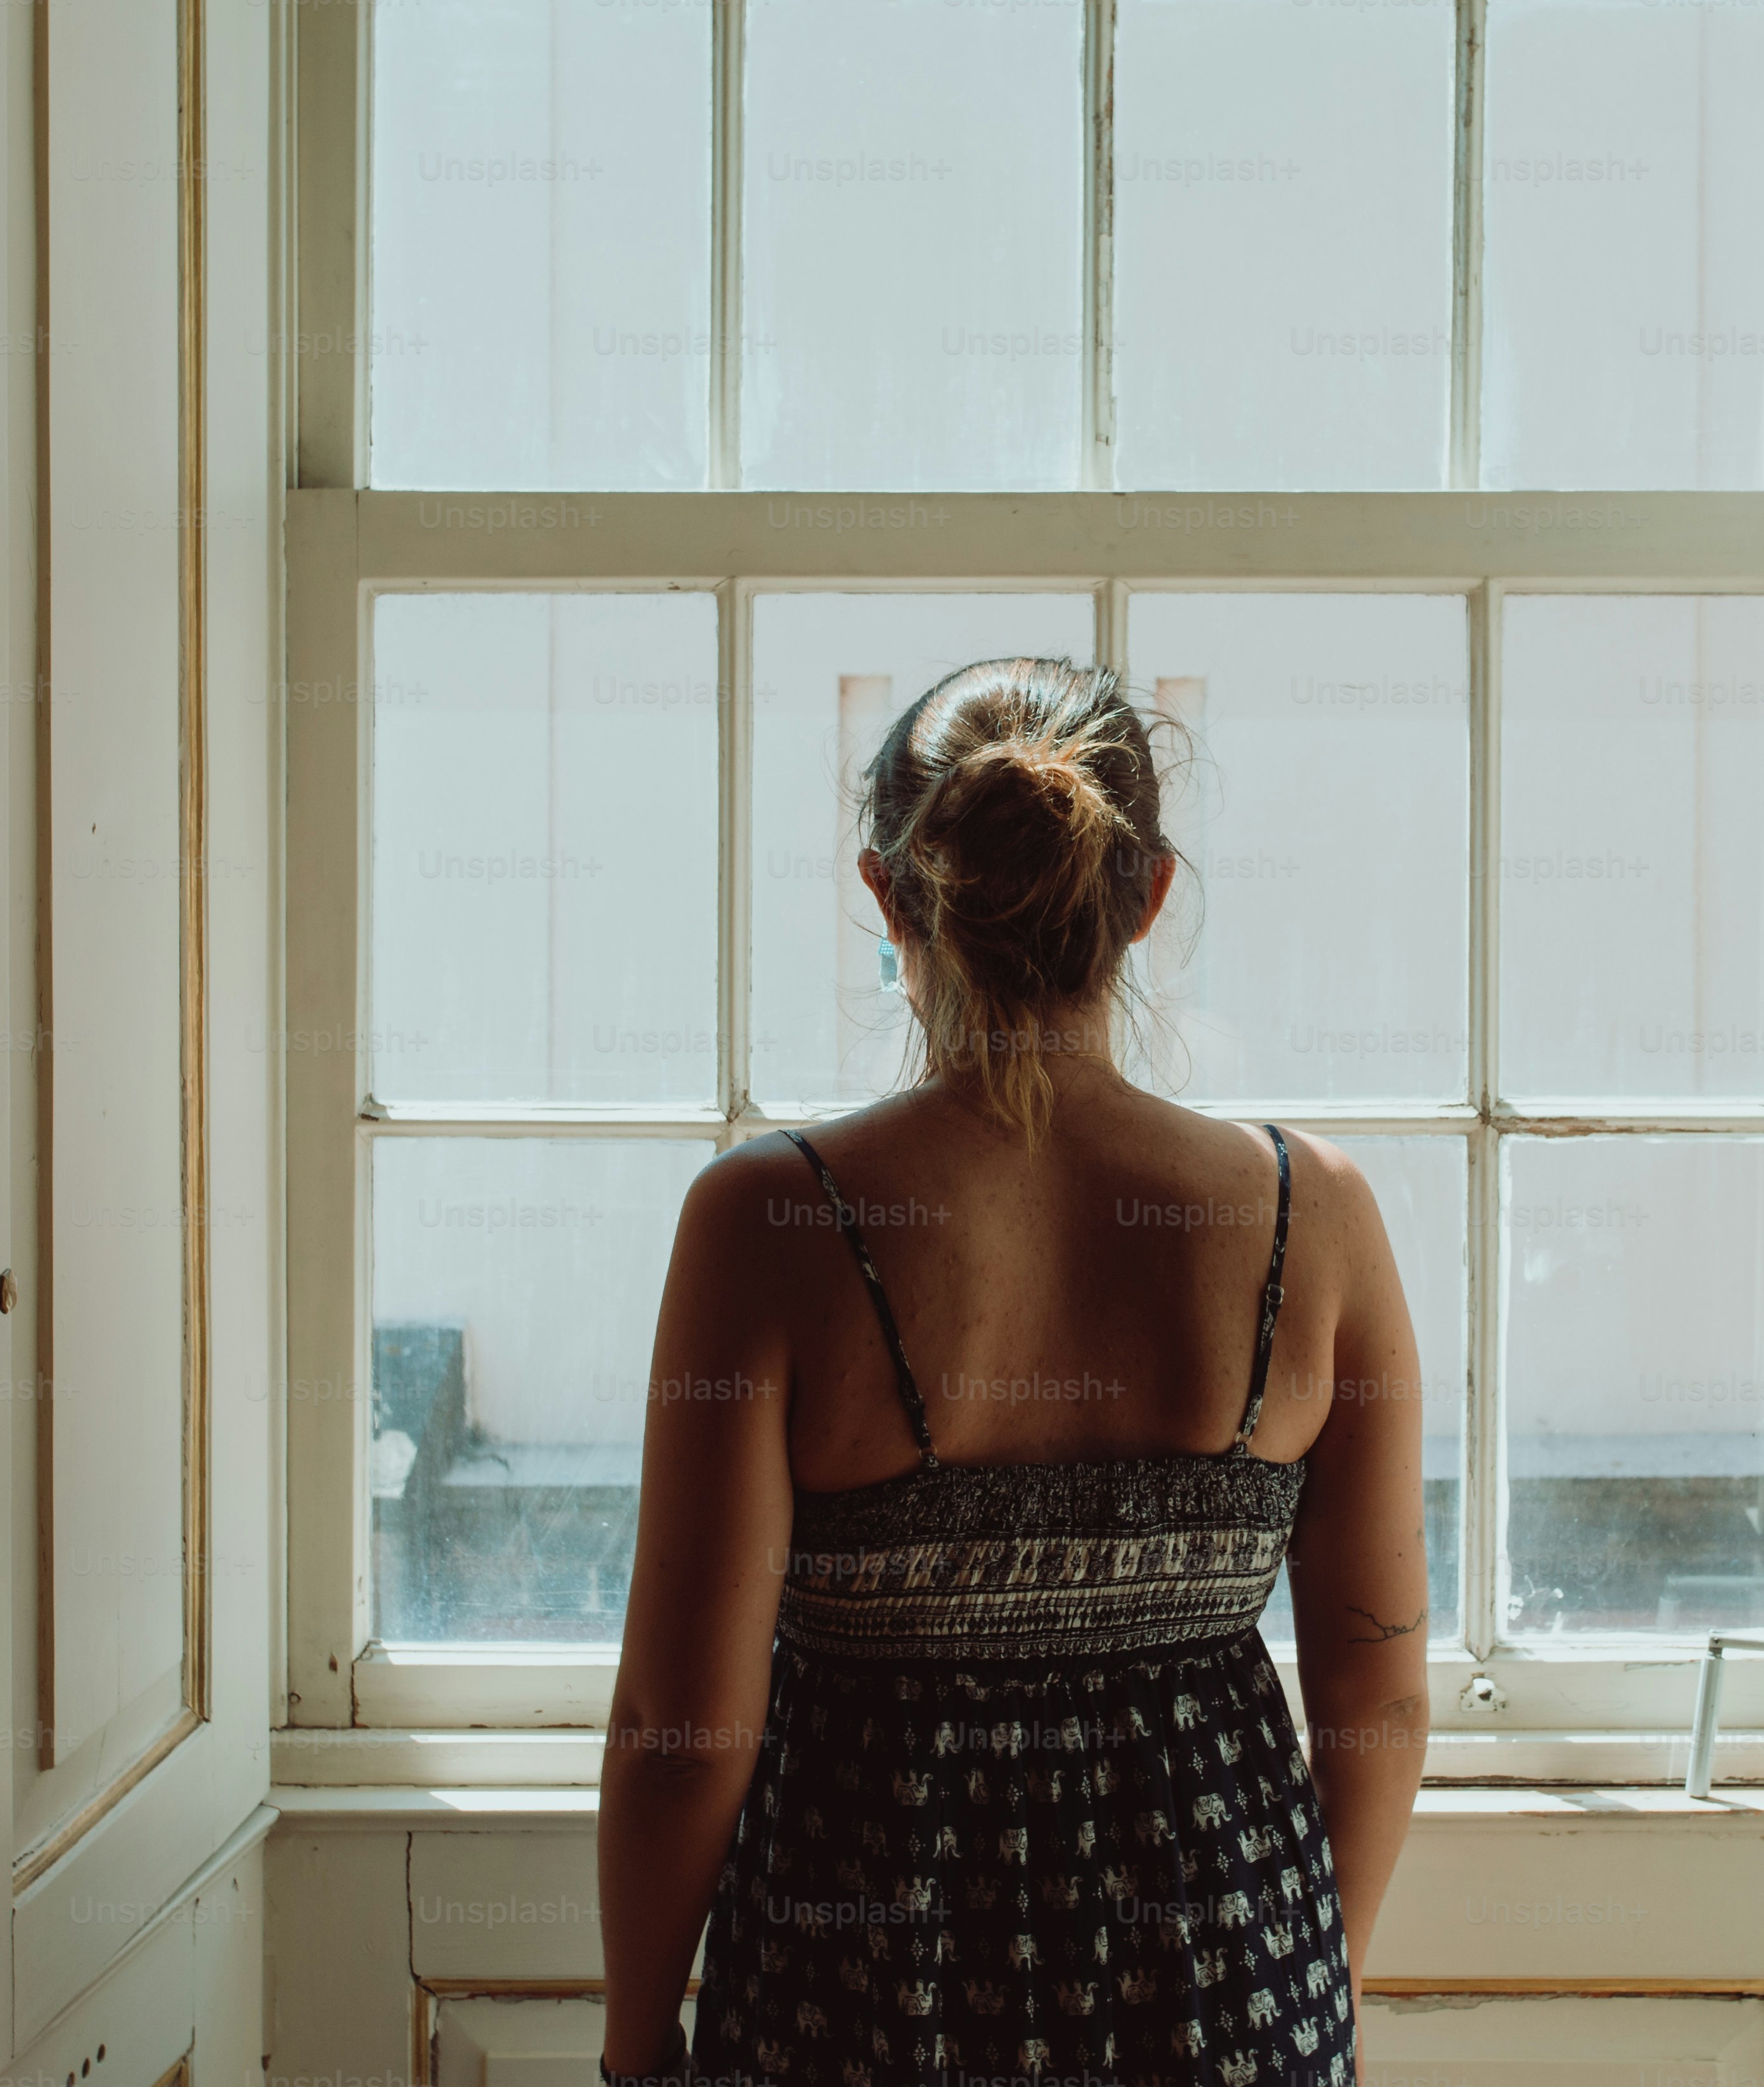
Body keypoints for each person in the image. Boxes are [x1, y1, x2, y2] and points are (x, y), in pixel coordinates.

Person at [595, 657, 1432, 2087]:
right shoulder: (1313, 1216)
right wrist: (1305, 1972)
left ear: (888, 892)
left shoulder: (773, 1223)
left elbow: (686, 1734)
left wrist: (635, 2045)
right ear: (1151, 895)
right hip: (1225, 1977)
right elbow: (1381, 1690)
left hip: (852, 1993)